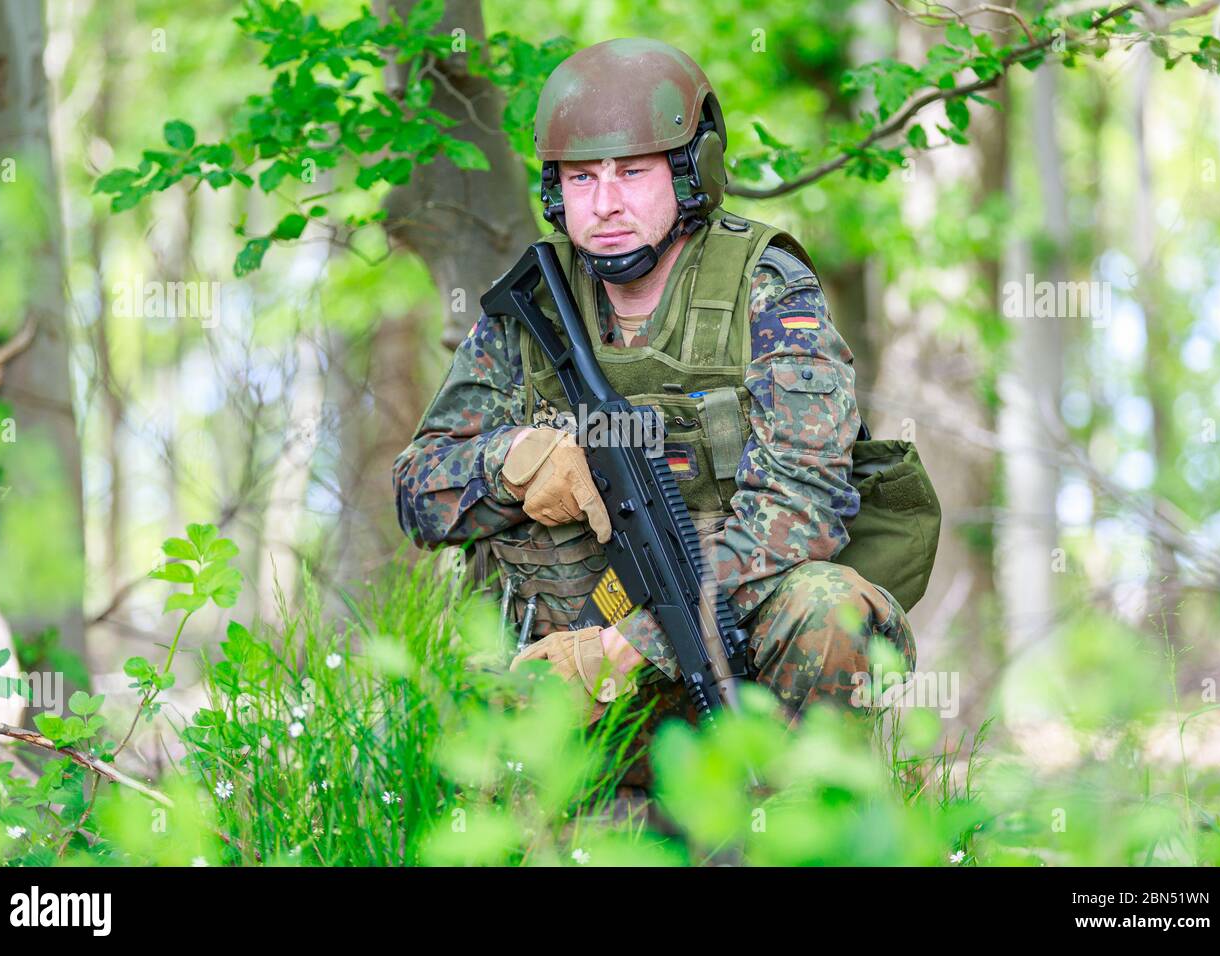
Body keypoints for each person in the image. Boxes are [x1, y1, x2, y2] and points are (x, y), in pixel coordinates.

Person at [392, 37, 916, 788]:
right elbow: (416, 493)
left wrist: (631, 645)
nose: (604, 203)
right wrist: (509, 464)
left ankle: (816, 823)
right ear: (554, 190)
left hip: (731, 659)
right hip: (565, 680)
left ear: (691, 173)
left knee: (826, 603)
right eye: (581, 178)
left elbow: (807, 503)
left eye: (632, 173)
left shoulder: (765, 289)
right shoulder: (532, 307)